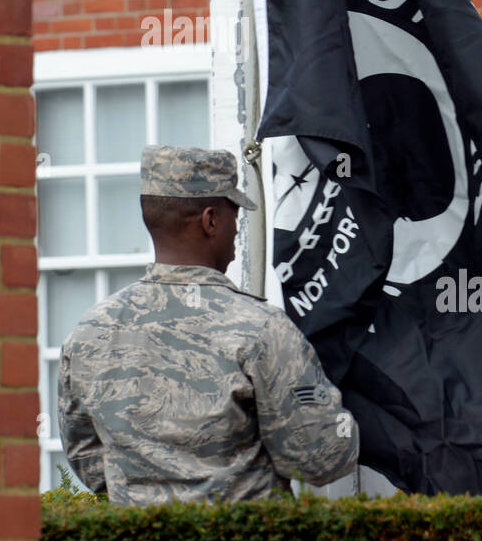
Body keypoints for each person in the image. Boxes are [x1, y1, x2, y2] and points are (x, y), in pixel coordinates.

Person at [58, 144, 359, 505]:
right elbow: (319, 458)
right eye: (235, 215)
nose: (236, 229)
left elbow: (88, 459)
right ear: (210, 220)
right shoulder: (259, 328)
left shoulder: (90, 332)